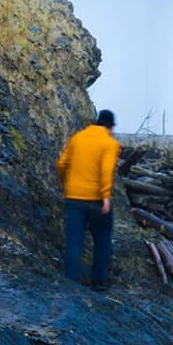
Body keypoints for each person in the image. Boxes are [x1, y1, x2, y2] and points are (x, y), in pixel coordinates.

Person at [55, 109, 120, 288]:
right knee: (102, 240)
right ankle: (99, 282)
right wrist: (106, 197)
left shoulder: (77, 138)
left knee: (74, 241)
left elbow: (61, 164)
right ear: (110, 126)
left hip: (74, 197)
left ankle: (70, 282)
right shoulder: (109, 143)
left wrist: (66, 184)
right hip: (97, 200)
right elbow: (106, 171)